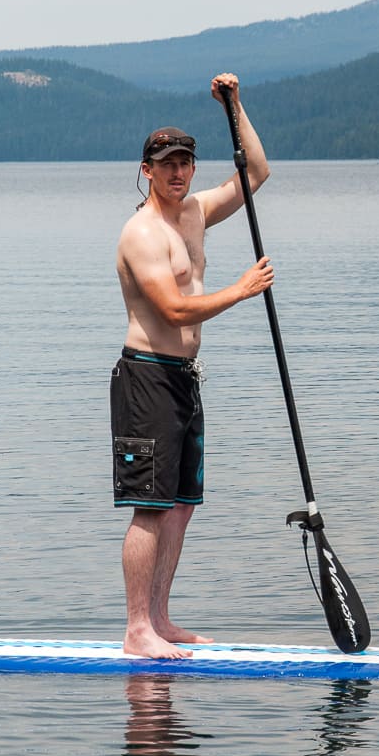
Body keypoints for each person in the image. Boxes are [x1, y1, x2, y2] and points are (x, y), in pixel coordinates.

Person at [111, 73, 274, 659]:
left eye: (186, 162)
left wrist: (235, 107)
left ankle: (160, 619)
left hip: (184, 379)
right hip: (147, 376)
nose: (178, 172)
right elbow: (173, 306)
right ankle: (136, 630)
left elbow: (256, 173)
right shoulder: (142, 232)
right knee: (150, 507)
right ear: (146, 170)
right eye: (167, 164)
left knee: (180, 507)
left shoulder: (196, 213)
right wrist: (240, 290)